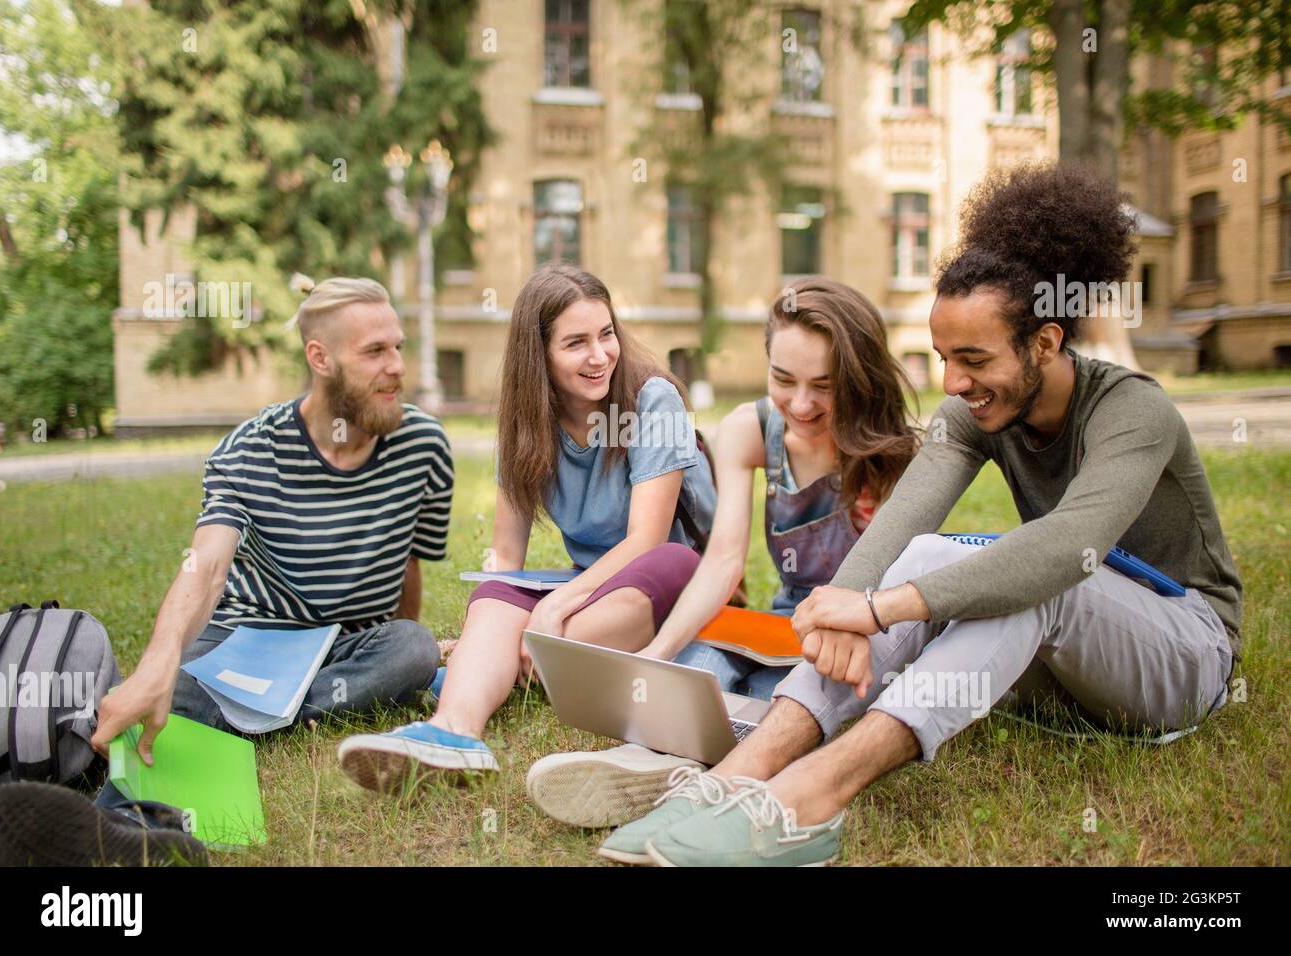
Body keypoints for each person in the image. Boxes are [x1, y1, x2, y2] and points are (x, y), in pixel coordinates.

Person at [589, 163, 1242, 867]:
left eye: (973, 359)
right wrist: (845, 603)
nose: (954, 384)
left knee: (1034, 578)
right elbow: (902, 525)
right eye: (942, 359)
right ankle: (735, 777)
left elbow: (1067, 548)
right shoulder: (974, 414)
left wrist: (879, 610)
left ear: (1045, 344)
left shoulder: (1135, 411)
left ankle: (803, 802)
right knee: (931, 555)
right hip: (1070, 672)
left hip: (1183, 653)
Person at [0, 275, 453, 867]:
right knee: (177, 680)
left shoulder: (424, 446)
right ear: (321, 358)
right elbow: (206, 566)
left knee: (413, 648)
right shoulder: (250, 450)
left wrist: (406, 664)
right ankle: (119, 828)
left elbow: (408, 568)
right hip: (245, 641)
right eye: (374, 352)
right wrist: (159, 661)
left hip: (341, 649)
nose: (396, 367)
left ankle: (225, 720)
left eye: (397, 347)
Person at [524, 278, 920, 830]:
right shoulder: (751, 428)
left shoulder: (898, 452)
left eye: (824, 386)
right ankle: (645, 757)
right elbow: (723, 563)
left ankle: (691, 772)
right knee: (704, 658)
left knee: (780, 693)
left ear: (858, 378)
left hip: (864, 630)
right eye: (783, 379)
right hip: (791, 618)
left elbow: (900, 587)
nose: (801, 404)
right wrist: (659, 650)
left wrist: (850, 626)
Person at [337, 265, 715, 790]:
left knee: (670, 560)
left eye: (606, 334)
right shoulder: (527, 421)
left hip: (671, 582)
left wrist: (552, 607)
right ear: (538, 355)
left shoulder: (653, 399)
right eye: (576, 342)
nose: (600, 355)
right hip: (592, 591)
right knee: (495, 593)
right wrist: (492, 615)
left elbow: (646, 540)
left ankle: (488, 673)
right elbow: (506, 553)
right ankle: (454, 732)